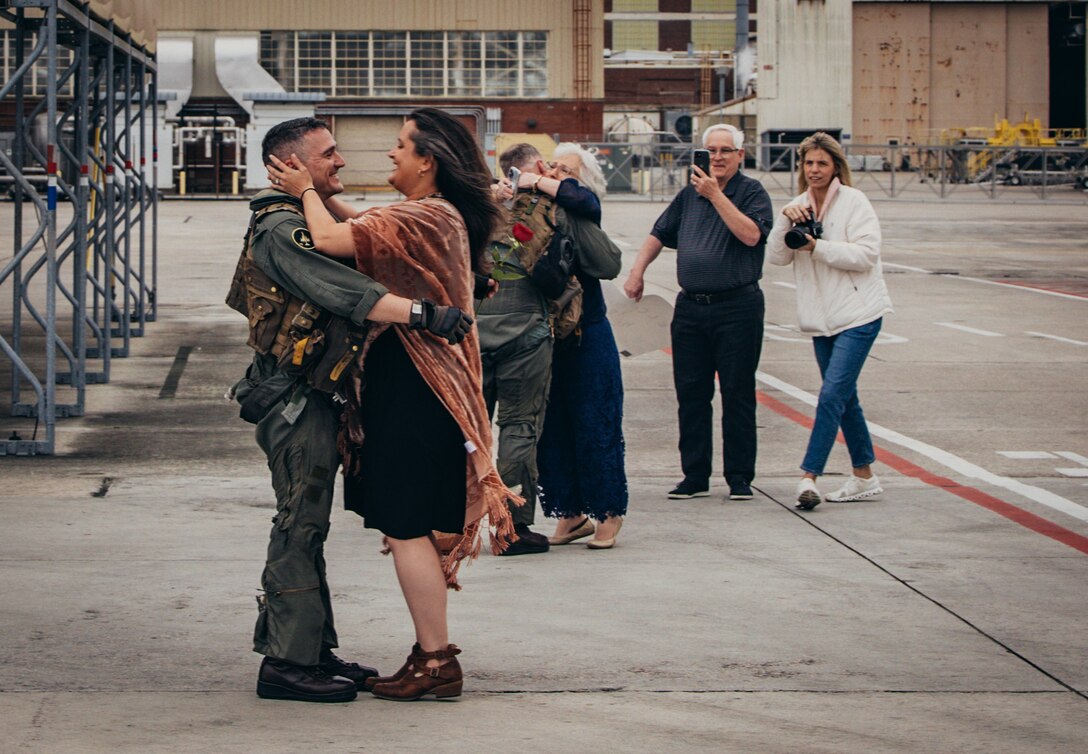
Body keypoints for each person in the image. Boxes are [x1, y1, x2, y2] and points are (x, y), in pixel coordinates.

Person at [267, 107, 515, 702]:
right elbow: (362, 220)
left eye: (401, 146)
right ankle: (428, 654)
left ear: (428, 161)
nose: (389, 155)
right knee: (411, 527)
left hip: (415, 385)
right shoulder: (428, 215)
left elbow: (329, 238)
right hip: (414, 385)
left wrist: (302, 189)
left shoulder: (428, 215)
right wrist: (317, 195)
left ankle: (435, 660)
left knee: (405, 527)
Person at [623, 124, 773, 502]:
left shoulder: (752, 192)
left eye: (725, 150)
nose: (717, 157)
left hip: (737, 307)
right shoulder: (689, 195)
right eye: (710, 150)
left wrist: (716, 195)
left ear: (741, 155)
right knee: (691, 394)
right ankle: (695, 474)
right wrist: (637, 271)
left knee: (738, 393)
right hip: (691, 308)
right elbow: (659, 233)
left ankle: (739, 476)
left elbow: (751, 235)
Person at [478, 142, 611, 555]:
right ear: (537, 167)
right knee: (518, 428)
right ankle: (511, 528)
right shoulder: (553, 210)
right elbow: (606, 262)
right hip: (525, 336)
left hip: (473, 334)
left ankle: (448, 522)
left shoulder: (477, 209)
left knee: (467, 432)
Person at [765, 132, 893, 510]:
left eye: (822, 163)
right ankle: (865, 476)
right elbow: (776, 257)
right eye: (808, 163)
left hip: (860, 314)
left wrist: (817, 247)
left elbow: (867, 255)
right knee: (845, 398)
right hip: (821, 321)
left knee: (831, 395)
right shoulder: (798, 206)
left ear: (835, 166)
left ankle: (809, 476)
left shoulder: (855, 202)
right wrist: (784, 221)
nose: (814, 170)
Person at [534, 143, 628, 549]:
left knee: (596, 422)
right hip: (548, 335)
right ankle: (569, 514)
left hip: (587, 332)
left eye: (567, 170)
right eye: (553, 165)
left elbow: (581, 198)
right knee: (552, 426)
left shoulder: (584, 210)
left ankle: (608, 513)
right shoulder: (540, 210)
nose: (557, 172)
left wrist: (544, 180)